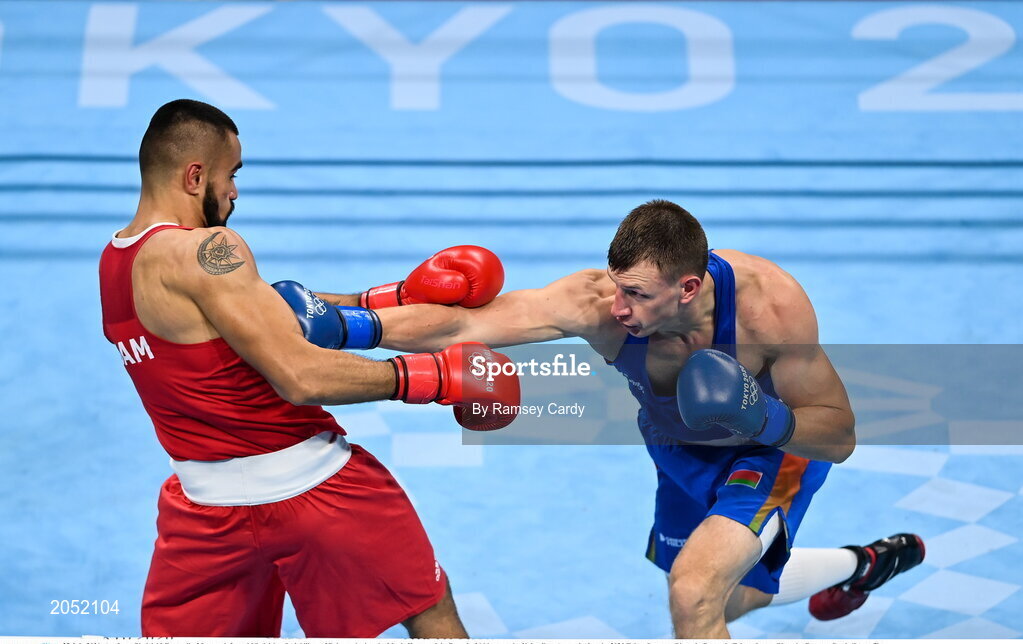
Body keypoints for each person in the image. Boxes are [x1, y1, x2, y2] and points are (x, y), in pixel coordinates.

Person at [349, 199, 926, 637]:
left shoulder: (769, 312)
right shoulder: (600, 304)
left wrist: (761, 418)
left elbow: (839, 434)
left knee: (694, 593)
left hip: (769, 454)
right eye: (617, 286)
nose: (618, 308)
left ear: (689, 287)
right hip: (676, 450)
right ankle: (862, 564)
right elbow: (458, 326)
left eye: (637, 294)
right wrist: (341, 320)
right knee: (725, 601)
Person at [98, 99, 518, 637]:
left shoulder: (116, 263)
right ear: (195, 174)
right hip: (320, 492)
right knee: (428, 610)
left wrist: (393, 297)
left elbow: (277, 312)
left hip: (205, 514)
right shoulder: (208, 249)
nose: (234, 193)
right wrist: (433, 376)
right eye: (231, 175)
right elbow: (302, 376)